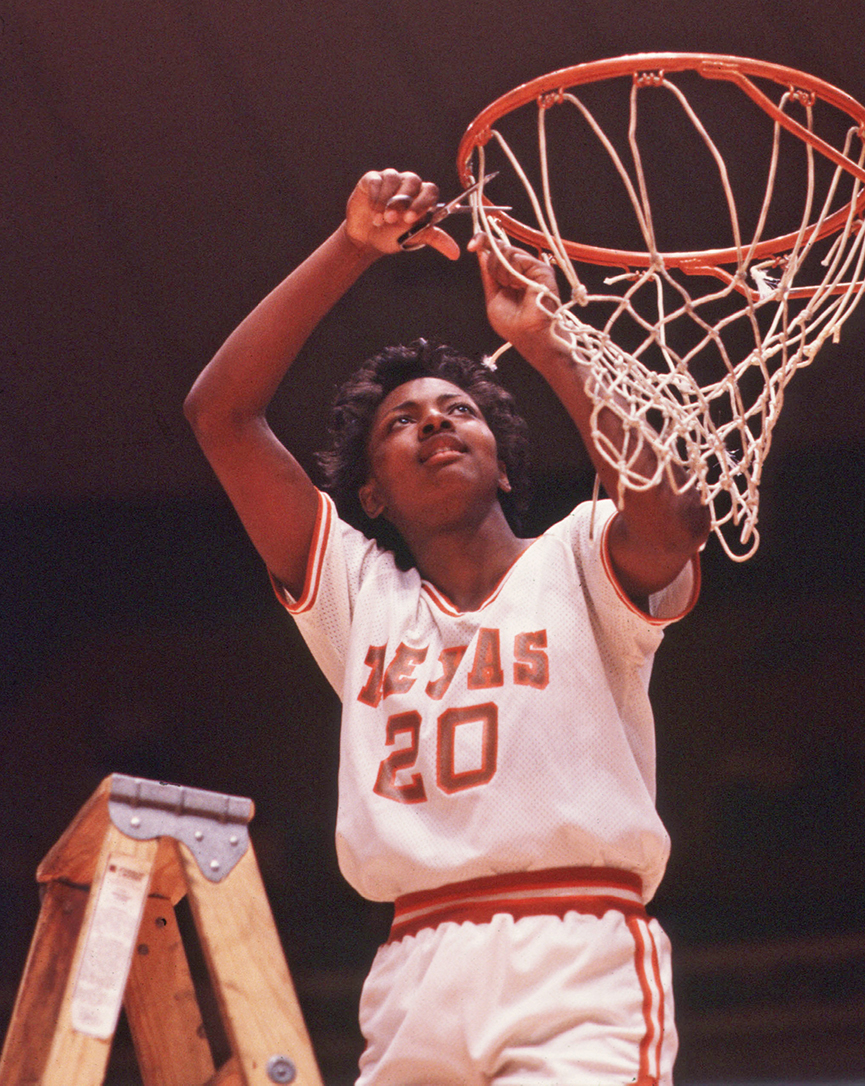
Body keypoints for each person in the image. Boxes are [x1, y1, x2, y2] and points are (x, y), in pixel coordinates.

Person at [185, 168, 710, 1086]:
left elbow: (671, 521)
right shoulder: (358, 599)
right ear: (371, 492)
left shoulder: (581, 554)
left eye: (460, 410)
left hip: (574, 948)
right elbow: (221, 416)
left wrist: (546, 345)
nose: (435, 421)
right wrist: (351, 244)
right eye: (403, 421)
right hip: (413, 965)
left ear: (504, 466)